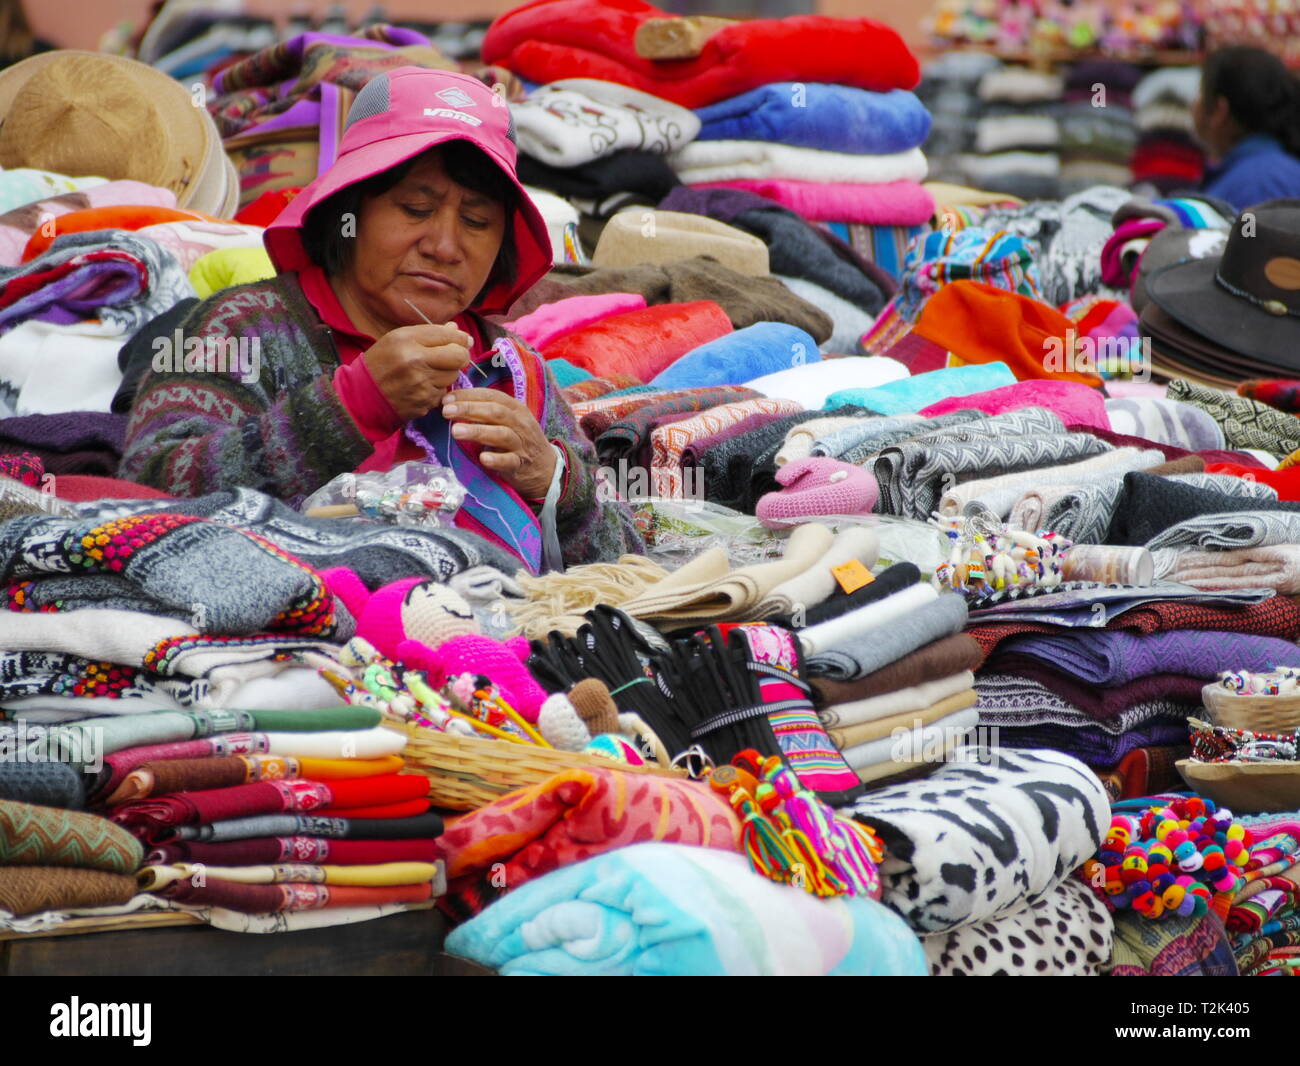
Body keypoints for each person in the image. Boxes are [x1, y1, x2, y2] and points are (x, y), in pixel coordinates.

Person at [119, 66, 643, 573]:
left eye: (477, 221)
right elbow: (147, 492)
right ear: (349, 212)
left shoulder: (514, 370)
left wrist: (554, 478)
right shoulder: (242, 328)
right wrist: (351, 406)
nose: (444, 246)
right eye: (415, 208)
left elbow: (629, 561)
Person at [1194, 45, 1300, 211]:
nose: (1194, 105)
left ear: (1220, 111)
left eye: (1200, 94)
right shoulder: (1269, 172)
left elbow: (1256, 236)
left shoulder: (1260, 184)